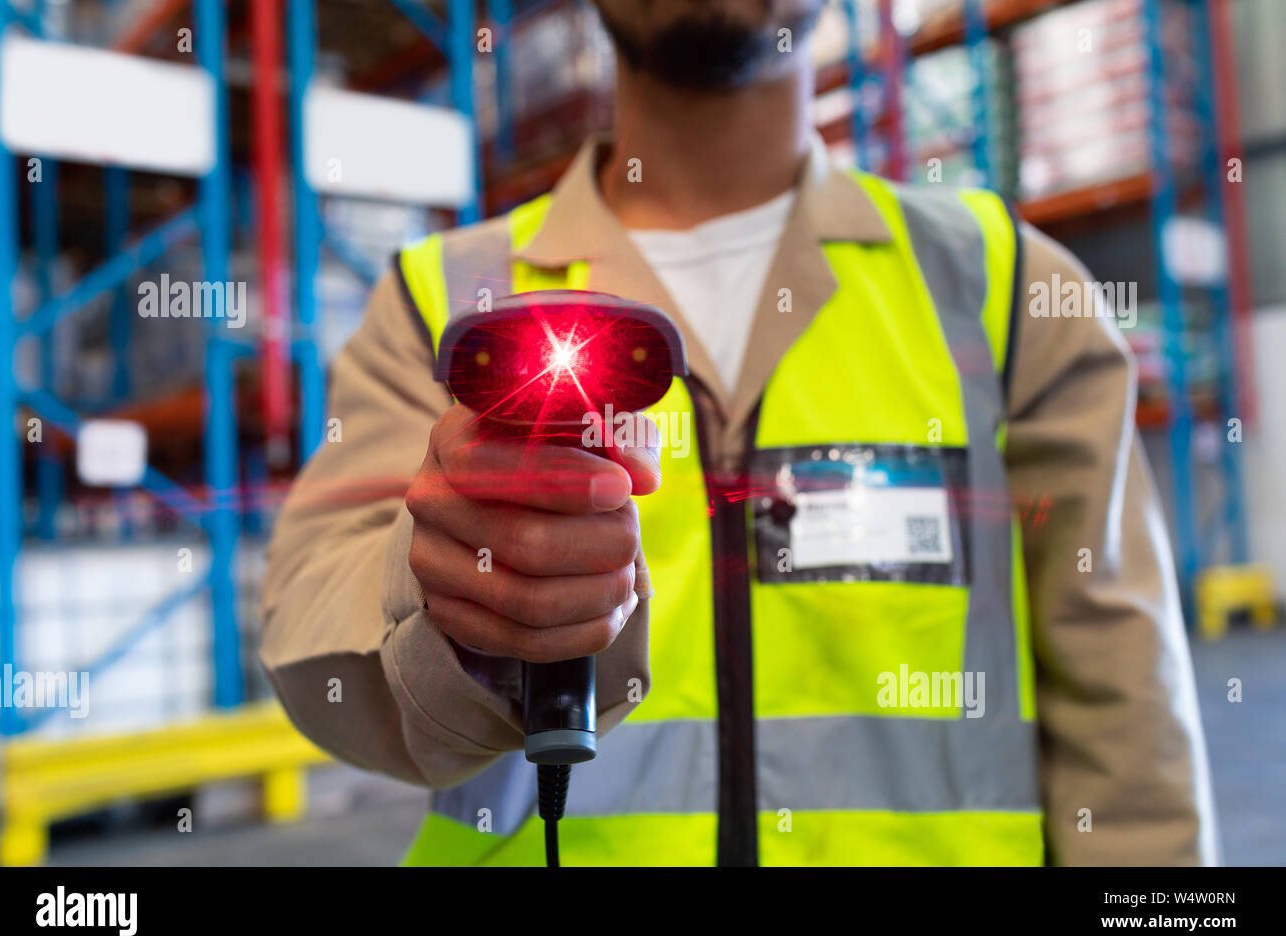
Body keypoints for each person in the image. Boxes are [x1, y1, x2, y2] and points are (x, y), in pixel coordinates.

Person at [261, 0, 1217, 866]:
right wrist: (451, 604)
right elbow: (317, 631)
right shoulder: (444, 300)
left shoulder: (1005, 291)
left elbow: (1128, 740)